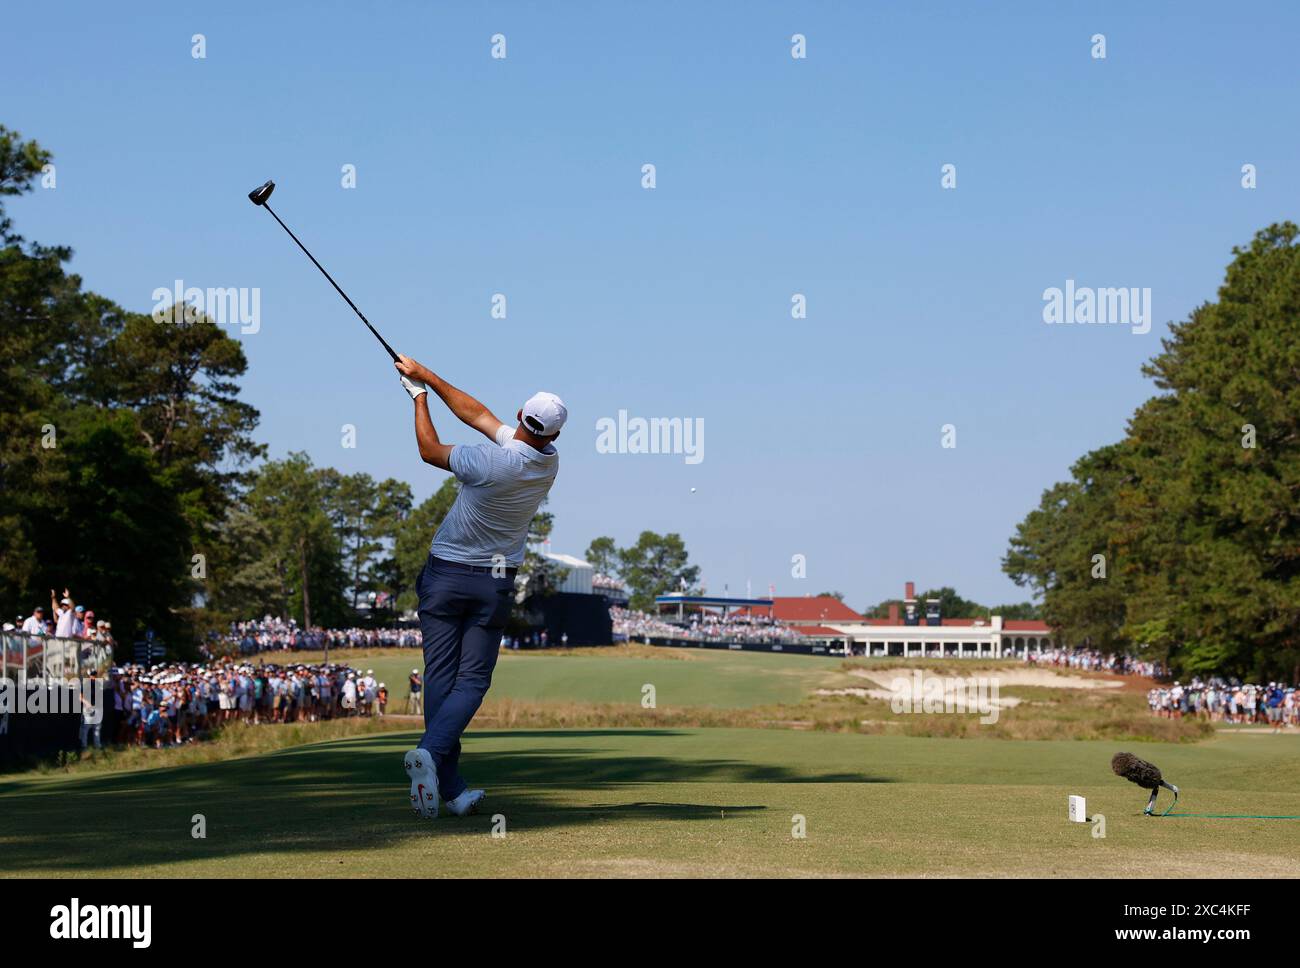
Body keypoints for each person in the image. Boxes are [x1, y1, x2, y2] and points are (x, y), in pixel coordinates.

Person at [394, 353, 564, 819]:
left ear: (519, 416)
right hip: (493, 582)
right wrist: (423, 373)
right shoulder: (547, 463)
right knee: (471, 681)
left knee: (442, 677)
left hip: (445, 574)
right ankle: (448, 786)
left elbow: (430, 451)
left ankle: (431, 756)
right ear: (553, 434)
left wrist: (419, 397)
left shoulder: (490, 460)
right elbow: (477, 414)